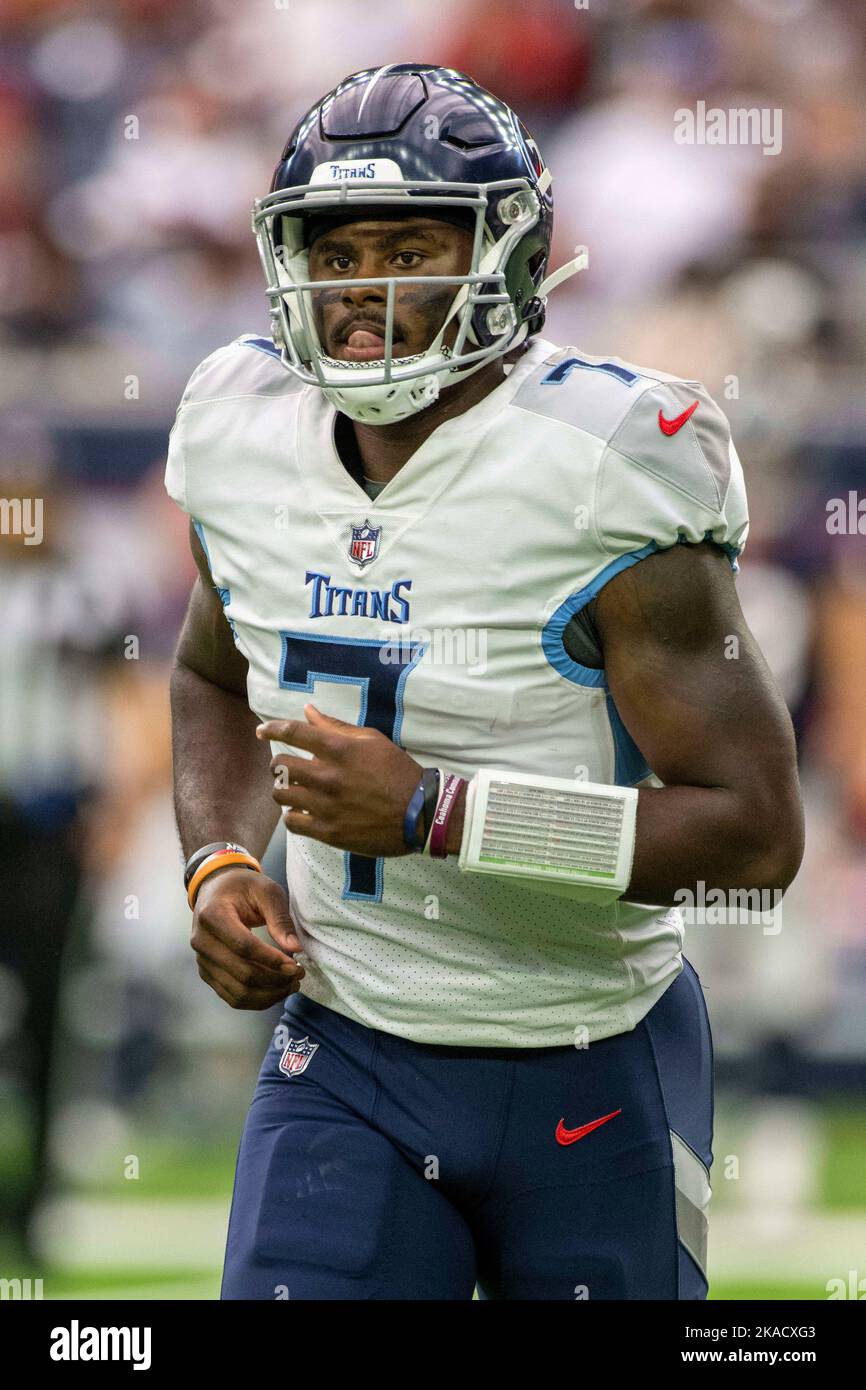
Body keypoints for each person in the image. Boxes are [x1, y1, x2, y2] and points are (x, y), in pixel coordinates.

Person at [164, 64, 803, 1300]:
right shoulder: (238, 428)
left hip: (589, 1056)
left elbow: (753, 834)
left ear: (505, 257)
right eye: (336, 252)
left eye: (410, 245)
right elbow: (205, 669)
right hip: (344, 1052)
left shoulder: (603, 462)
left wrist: (435, 813)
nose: (364, 291)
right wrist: (218, 860)